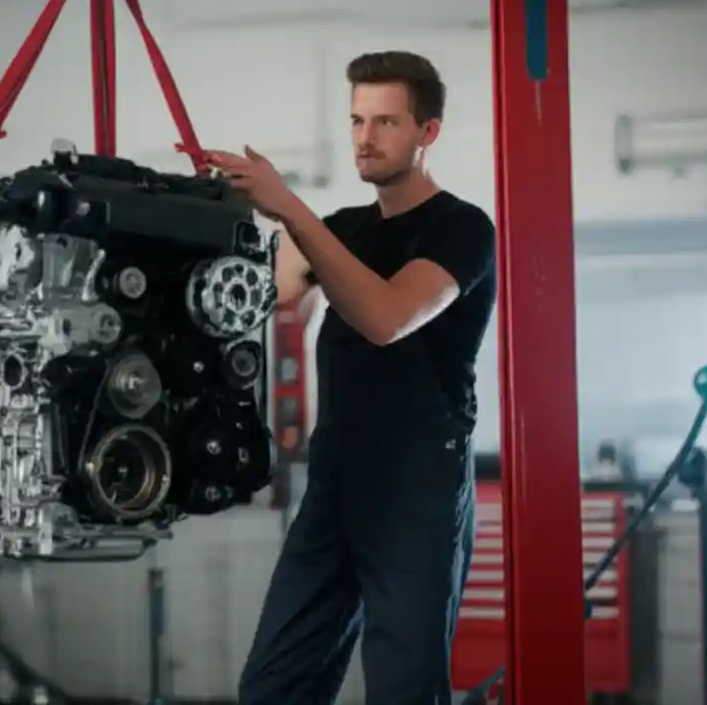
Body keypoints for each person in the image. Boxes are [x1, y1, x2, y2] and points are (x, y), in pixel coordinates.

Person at [205, 50, 496, 704]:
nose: (365, 139)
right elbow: (252, 294)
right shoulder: (341, 231)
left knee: (403, 690)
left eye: (387, 122)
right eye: (358, 120)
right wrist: (198, 217)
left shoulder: (463, 229)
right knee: (273, 685)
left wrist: (290, 210)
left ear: (428, 132)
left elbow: (385, 317)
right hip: (336, 478)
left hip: (416, 486)